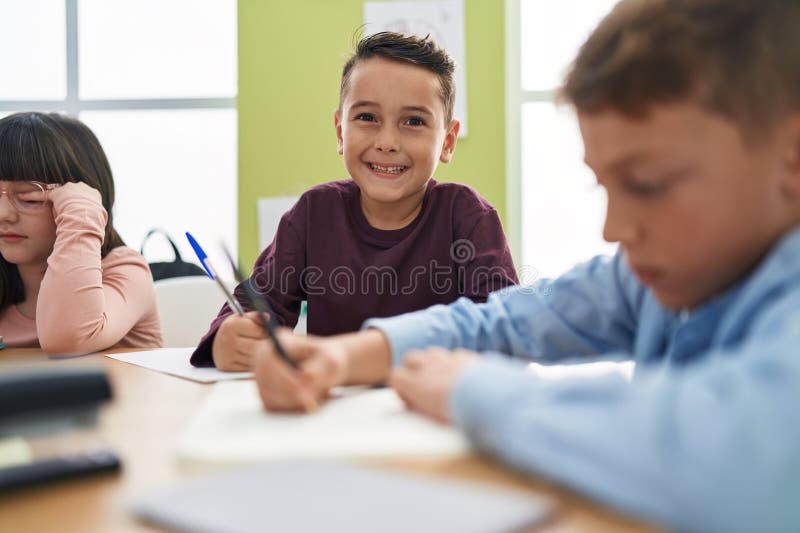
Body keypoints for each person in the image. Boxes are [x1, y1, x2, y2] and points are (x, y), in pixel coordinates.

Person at [250, 1, 800, 531]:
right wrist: (341, 357)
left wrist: (474, 390)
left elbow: (734, 461)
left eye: (647, 184)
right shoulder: (654, 274)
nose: (613, 229)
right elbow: (507, 319)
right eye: (603, 186)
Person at [192, 32, 517, 371]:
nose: (388, 142)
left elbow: (501, 324)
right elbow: (258, 302)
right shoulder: (313, 213)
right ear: (339, 131)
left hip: (432, 407)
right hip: (329, 406)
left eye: (414, 121)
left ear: (448, 141)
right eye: (366, 117)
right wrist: (230, 335)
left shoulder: (467, 216)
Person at [0, 112, 162, 354]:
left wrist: (83, 213)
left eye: (29, 197)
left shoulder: (126, 271)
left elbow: (67, 339)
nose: (4, 214)